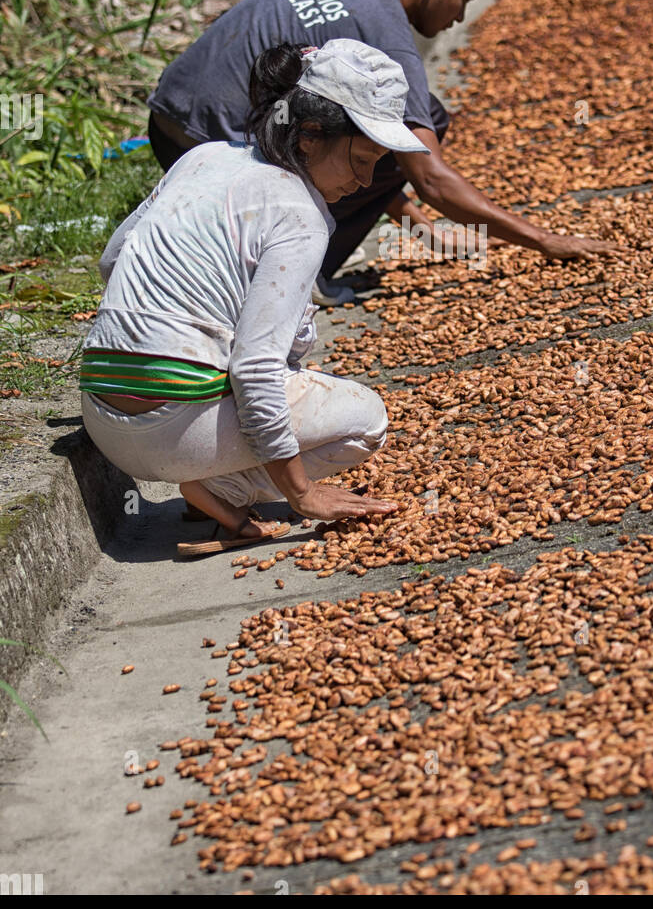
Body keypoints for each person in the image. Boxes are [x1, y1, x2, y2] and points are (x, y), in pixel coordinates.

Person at [146, 0, 619, 305]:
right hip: (226, 154)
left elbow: (371, 162)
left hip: (170, 128)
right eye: (464, 0)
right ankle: (294, 274)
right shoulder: (388, 34)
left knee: (398, 122)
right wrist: (545, 240)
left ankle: (271, 258)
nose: (459, 18)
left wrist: (427, 230)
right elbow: (427, 175)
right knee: (420, 123)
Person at [79, 40, 420, 552]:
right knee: (367, 419)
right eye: (362, 159)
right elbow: (256, 367)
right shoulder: (301, 214)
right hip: (176, 429)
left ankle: (212, 482)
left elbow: (113, 260)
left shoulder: (203, 157)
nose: (365, 180)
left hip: (102, 412)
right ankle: (222, 487)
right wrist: (302, 495)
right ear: (308, 136)